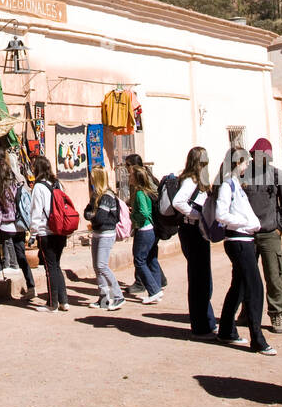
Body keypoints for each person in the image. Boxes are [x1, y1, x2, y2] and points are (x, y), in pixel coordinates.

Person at [214, 147, 275, 355]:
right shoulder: (226, 185)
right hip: (238, 240)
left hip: (245, 239)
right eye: (246, 162)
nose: (248, 165)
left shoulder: (235, 183)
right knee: (254, 288)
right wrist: (244, 223)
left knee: (239, 286)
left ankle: (226, 330)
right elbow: (221, 214)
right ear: (237, 163)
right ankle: (257, 338)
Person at [239, 137, 282, 334]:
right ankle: (247, 311)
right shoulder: (243, 176)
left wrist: (281, 228)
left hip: (270, 234)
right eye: (256, 155)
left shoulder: (278, 176)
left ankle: (276, 314)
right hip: (247, 235)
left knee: (273, 277)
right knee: (246, 276)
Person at [172, 145, 217, 338]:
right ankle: (200, 326)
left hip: (197, 232)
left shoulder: (199, 180)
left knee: (203, 279)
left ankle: (207, 321)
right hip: (192, 231)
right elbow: (178, 202)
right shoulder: (190, 181)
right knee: (199, 279)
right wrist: (199, 215)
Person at [0, 142, 36, 299]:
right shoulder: (18, 183)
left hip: (6, 227)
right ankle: (31, 286)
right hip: (20, 226)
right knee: (22, 257)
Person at [123, 153, 168, 297]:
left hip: (147, 224)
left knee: (140, 257)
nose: (126, 169)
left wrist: (134, 214)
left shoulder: (142, 181)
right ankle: (158, 281)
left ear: (134, 166)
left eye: (127, 165)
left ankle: (142, 283)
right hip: (149, 223)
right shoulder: (140, 180)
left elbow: (147, 203)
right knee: (150, 255)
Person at [29, 154, 68, 312]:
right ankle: (63, 300)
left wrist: (33, 233)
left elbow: (36, 212)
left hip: (46, 232)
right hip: (60, 231)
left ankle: (52, 304)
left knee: (50, 268)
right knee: (56, 266)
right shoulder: (57, 184)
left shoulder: (38, 187)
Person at [83, 166, 124, 311]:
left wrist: (92, 215)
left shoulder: (107, 196)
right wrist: (93, 215)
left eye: (93, 177)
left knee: (102, 266)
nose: (91, 180)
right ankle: (104, 298)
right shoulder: (96, 195)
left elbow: (100, 217)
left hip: (106, 234)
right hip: (97, 233)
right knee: (97, 267)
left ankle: (118, 295)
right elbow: (87, 212)